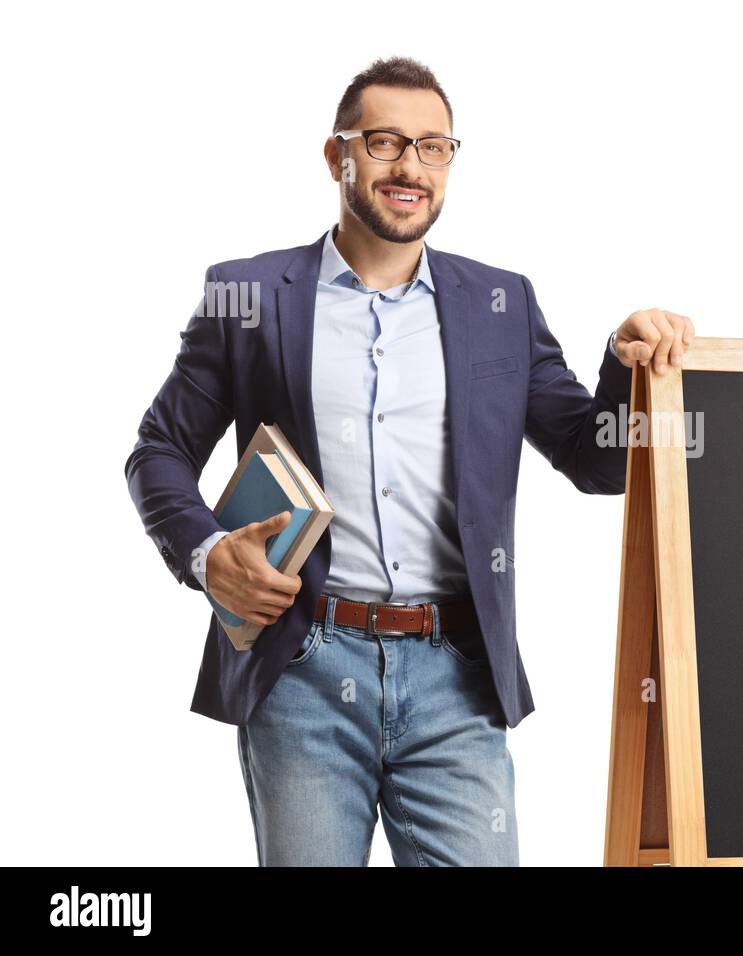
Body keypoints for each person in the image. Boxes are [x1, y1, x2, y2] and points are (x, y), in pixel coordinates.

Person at [124, 55, 694, 866]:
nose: (410, 167)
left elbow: (591, 456)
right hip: (303, 670)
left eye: (434, 148)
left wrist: (624, 362)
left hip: (457, 677)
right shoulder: (248, 295)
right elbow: (160, 449)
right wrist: (210, 555)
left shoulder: (501, 304)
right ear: (338, 157)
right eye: (387, 142)